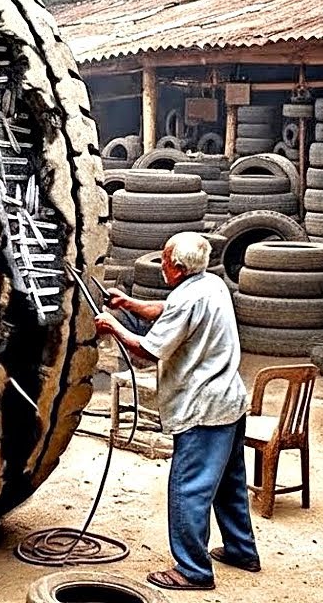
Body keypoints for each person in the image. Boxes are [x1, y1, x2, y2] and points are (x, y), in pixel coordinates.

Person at [94, 231, 260, 592]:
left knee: (189, 488)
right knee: (228, 483)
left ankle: (192, 570)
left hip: (202, 406)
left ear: (179, 268)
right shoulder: (210, 283)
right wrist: (130, 304)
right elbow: (168, 310)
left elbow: (147, 352)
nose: (162, 263)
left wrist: (113, 327)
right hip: (228, 400)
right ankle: (241, 550)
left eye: (165, 259)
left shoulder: (189, 297)